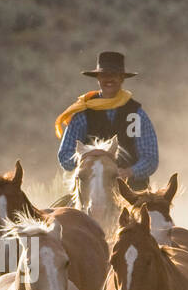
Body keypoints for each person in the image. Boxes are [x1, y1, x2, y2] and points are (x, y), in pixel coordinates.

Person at [54, 51, 158, 191]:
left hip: (132, 191)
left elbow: (150, 158)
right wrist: (86, 160)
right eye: (104, 75)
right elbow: (65, 154)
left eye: (114, 75)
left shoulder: (137, 114)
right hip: (90, 191)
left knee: (156, 212)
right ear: (98, 78)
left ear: (122, 78)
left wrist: (129, 172)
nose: (109, 79)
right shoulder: (82, 113)